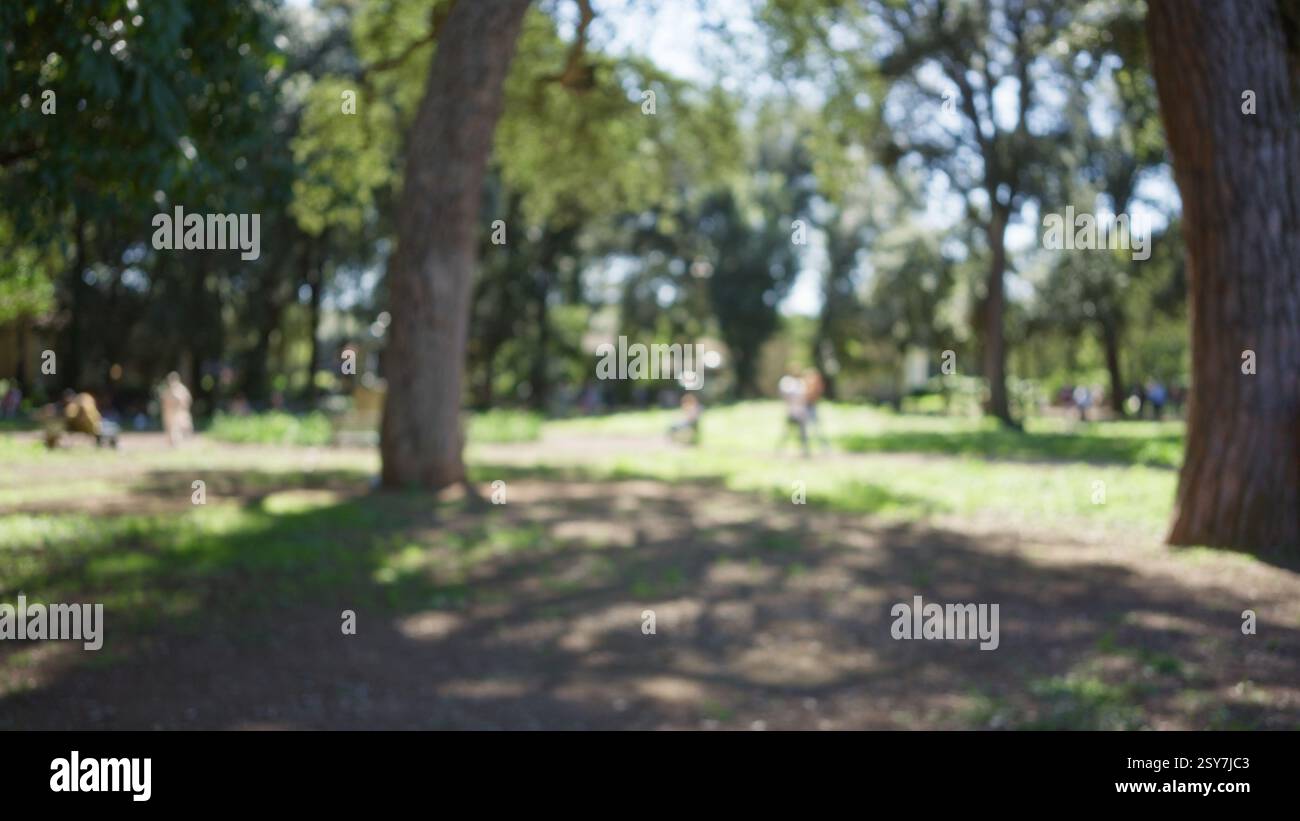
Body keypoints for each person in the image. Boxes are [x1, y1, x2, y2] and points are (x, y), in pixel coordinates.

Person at [778, 372, 810, 456]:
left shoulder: (800, 385)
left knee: (802, 434)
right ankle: (780, 450)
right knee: (787, 432)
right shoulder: (790, 385)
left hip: (801, 413)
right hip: (792, 412)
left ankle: (805, 451)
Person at [159, 371, 194, 446]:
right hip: (170, 412)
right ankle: (172, 443)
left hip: (179, 411)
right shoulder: (168, 390)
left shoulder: (181, 389)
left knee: (182, 426)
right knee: (171, 428)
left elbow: (186, 399)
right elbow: (164, 402)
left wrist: (183, 408)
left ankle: (182, 442)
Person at [802, 368, 830, 451]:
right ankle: (806, 448)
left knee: (817, 428)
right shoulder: (804, 384)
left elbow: (816, 394)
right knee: (805, 429)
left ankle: (824, 447)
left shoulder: (815, 385)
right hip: (805, 407)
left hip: (811, 407)